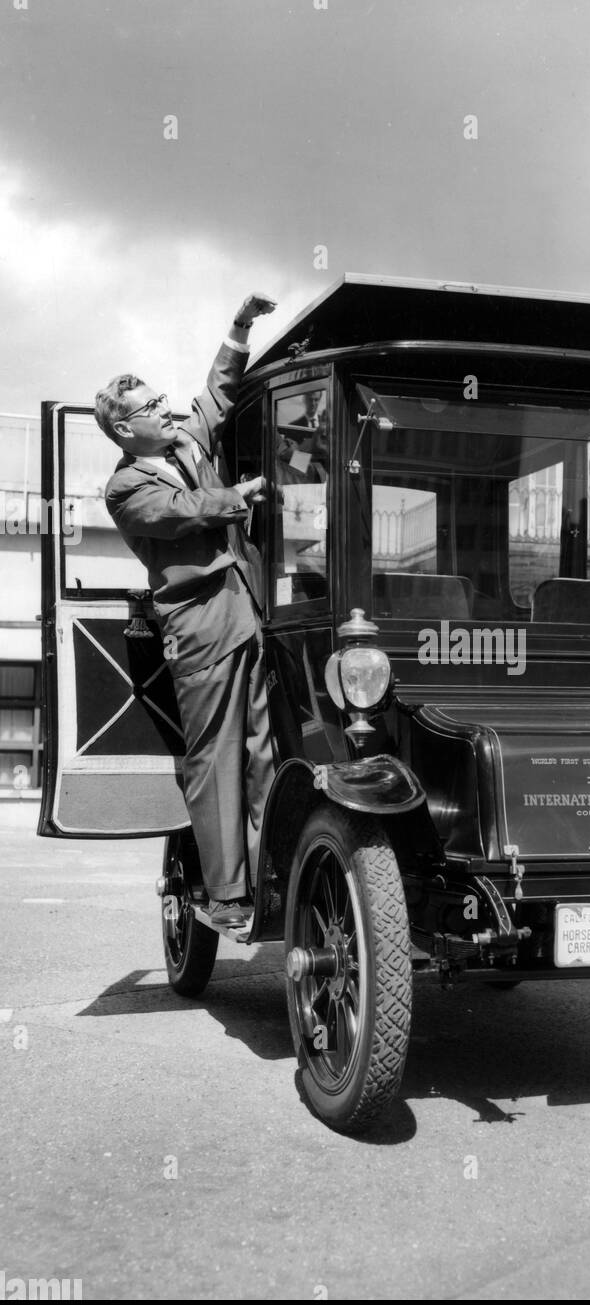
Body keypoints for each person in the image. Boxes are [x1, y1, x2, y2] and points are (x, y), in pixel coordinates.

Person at [95, 294, 277, 929]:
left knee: (262, 753)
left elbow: (215, 394)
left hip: (247, 615)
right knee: (214, 758)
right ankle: (227, 897)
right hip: (201, 632)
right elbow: (183, 516)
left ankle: (268, 879)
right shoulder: (124, 487)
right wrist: (237, 496)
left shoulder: (184, 442)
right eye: (149, 407)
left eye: (159, 398)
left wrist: (240, 326)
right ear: (123, 429)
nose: (165, 409)